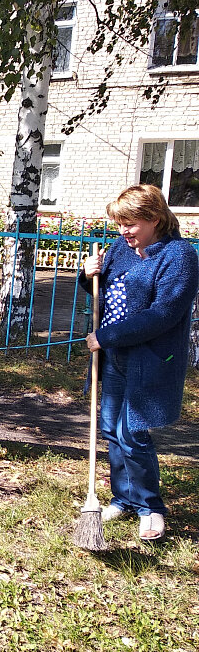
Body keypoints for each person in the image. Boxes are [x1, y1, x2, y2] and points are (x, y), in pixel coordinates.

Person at [81, 184, 198, 541]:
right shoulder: (122, 248)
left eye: (130, 223)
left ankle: (151, 508)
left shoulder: (179, 255)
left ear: (155, 218)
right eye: (119, 224)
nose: (123, 232)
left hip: (149, 357)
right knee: (110, 428)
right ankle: (124, 498)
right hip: (115, 355)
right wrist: (89, 275)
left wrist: (107, 336)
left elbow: (164, 313)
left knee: (133, 432)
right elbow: (106, 291)